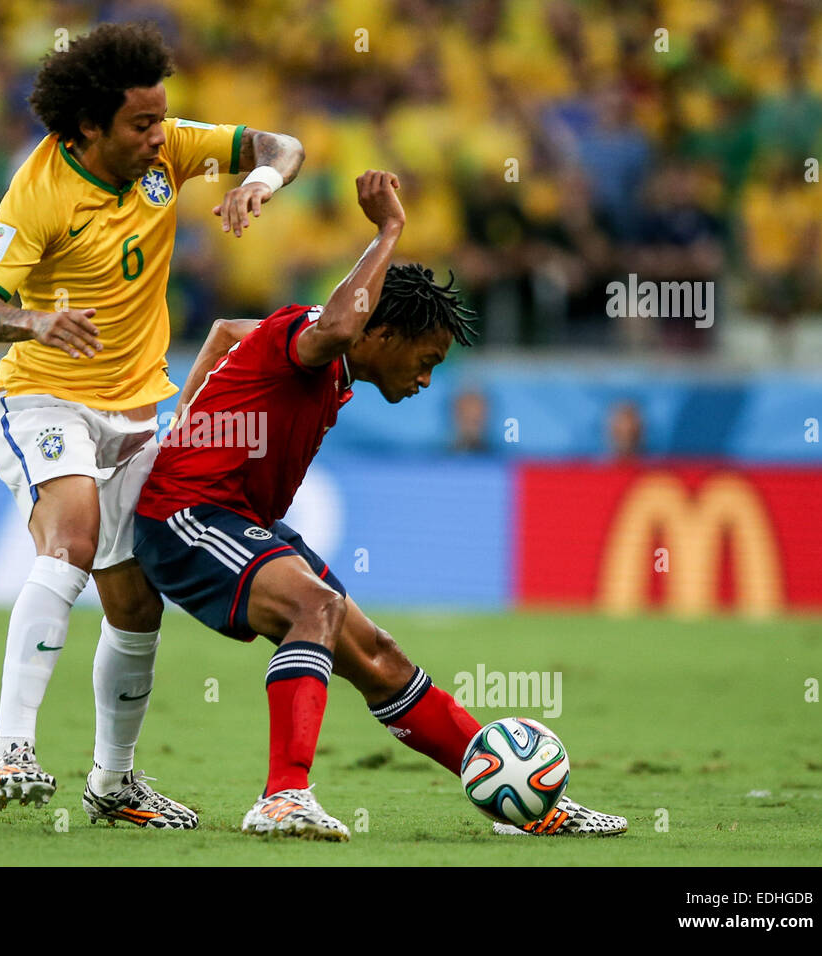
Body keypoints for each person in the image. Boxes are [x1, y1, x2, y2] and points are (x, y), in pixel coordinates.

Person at [134, 171, 628, 840]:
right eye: (424, 360)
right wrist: (390, 229)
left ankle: (528, 805)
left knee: (378, 655)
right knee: (317, 607)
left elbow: (224, 334)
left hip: (238, 519)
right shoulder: (315, 340)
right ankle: (283, 797)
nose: (426, 380)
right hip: (186, 516)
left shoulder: (323, 362)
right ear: (381, 333)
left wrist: (188, 421)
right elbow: (332, 325)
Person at [0, 22, 304, 828]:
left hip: (136, 412)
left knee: (137, 606)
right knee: (69, 536)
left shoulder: (168, 151)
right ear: (88, 128)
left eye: (161, 118)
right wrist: (32, 319)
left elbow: (284, 144)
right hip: (43, 397)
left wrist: (263, 182)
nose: (158, 136)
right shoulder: (39, 190)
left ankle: (113, 784)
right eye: (141, 124)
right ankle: (11, 752)